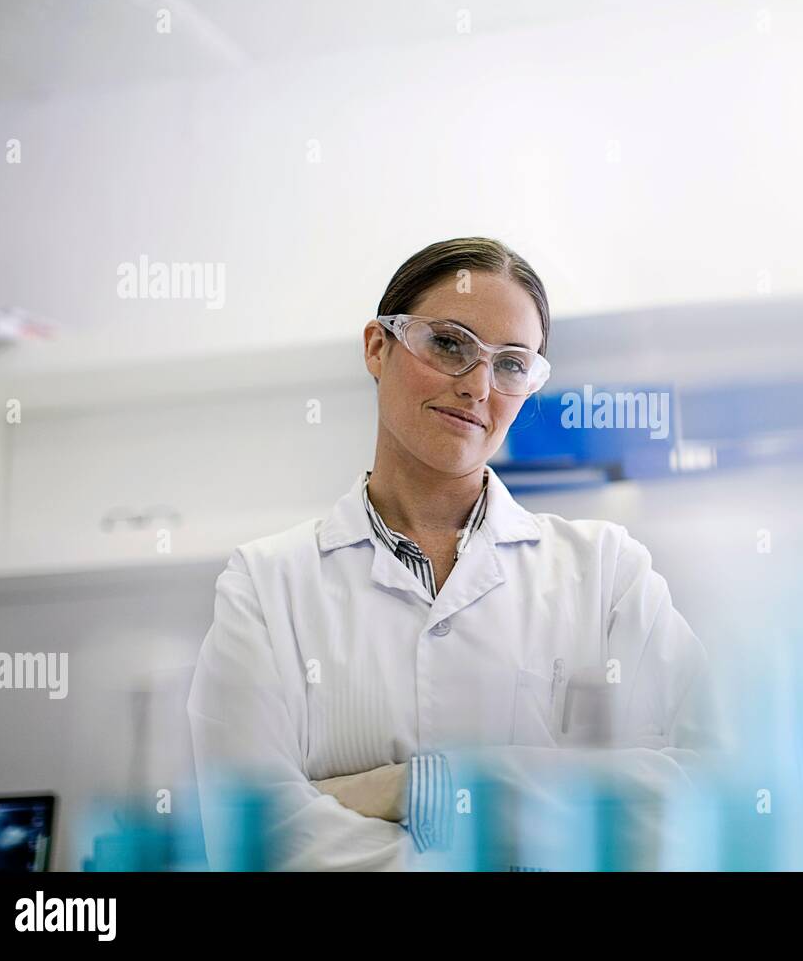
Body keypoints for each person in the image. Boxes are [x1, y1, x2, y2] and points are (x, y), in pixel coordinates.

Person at [185, 237, 720, 871]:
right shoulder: (267, 586)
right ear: (377, 348)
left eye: (512, 364)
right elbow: (253, 844)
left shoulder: (607, 572)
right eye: (449, 344)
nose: (478, 386)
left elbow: (708, 796)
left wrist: (428, 788)